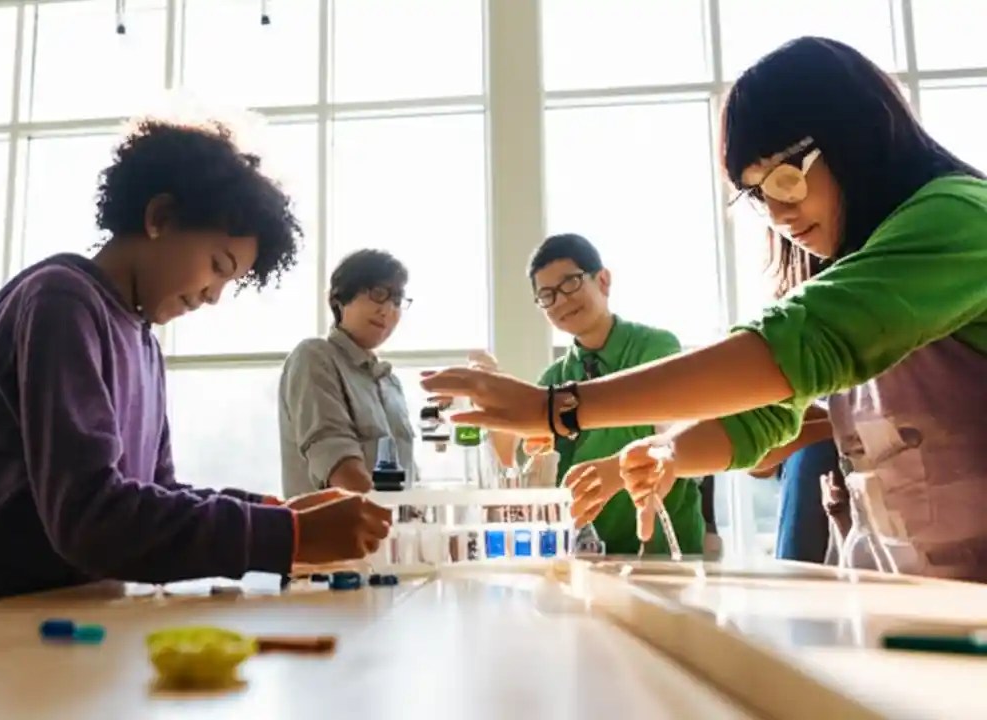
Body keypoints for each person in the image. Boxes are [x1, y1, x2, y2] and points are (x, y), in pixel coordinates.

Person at [420, 36, 987, 579]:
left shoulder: (959, 218)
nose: (781, 215)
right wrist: (670, 452)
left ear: (859, 135)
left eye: (787, 179)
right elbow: (763, 414)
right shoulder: (852, 270)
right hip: (907, 599)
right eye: (758, 196)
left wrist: (560, 408)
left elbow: (796, 346)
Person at [0, 119, 391, 610]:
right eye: (218, 266)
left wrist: (275, 511)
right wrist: (287, 534)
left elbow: (155, 492)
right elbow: (94, 516)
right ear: (161, 217)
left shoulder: (143, 344)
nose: (214, 296)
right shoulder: (61, 301)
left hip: (61, 612)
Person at [476, 234, 702, 555]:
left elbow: (675, 431)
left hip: (666, 549)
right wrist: (498, 411)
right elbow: (533, 472)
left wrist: (617, 469)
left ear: (603, 280)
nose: (561, 301)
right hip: (588, 558)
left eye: (569, 284)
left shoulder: (656, 346)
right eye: (547, 295)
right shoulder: (552, 380)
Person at [280, 249, 416, 496]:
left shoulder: (391, 383)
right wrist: (390, 523)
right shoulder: (314, 356)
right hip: (335, 532)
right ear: (338, 298)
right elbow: (338, 466)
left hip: (391, 531)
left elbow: (407, 480)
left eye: (396, 301)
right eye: (378, 294)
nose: (387, 310)